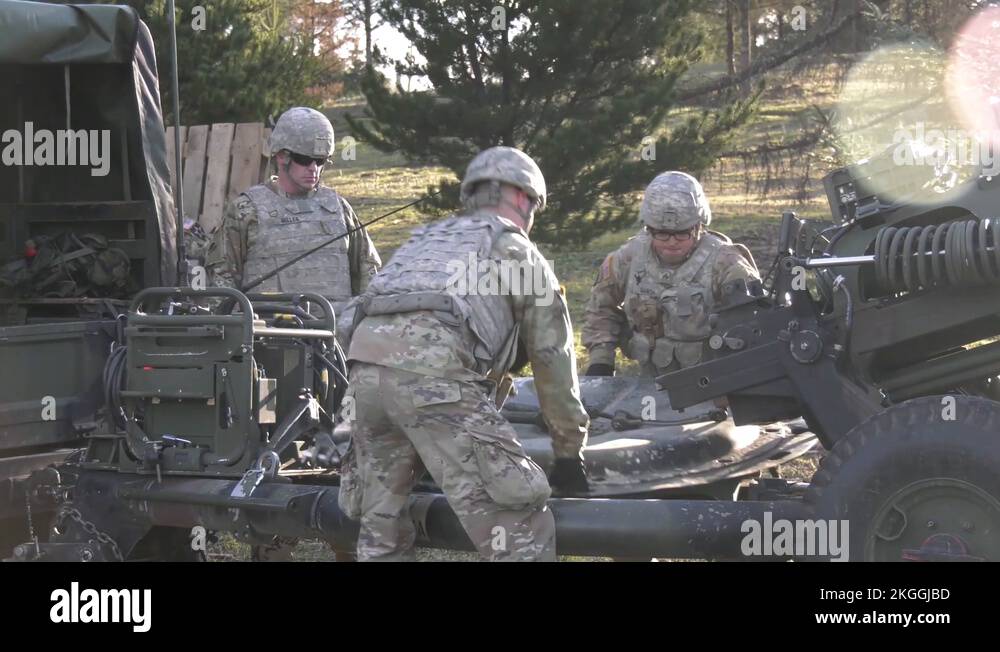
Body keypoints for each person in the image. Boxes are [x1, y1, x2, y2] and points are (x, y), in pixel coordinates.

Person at [340, 146, 590, 561]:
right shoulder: (516, 250)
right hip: (433, 382)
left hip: (364, 379)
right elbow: (552, 356)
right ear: (525, 198)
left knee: (380, 524)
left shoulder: (422, 243)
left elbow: (355, 315)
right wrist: (568, 451)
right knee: (518, 525)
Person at [205, 107, 380, 334]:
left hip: (335, 339)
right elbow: (222, 280)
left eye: (320, 161)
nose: (313, 169)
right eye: (305, 159)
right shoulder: (246, 210)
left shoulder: (339, 208)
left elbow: (368, 271)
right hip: (270, 342)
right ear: (281, 156)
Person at [581, 171, 759, 377]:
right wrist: (601, 362)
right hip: (649, 382)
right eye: (662, 233)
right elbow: (601, 309)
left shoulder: (727, 263)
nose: (672, 242)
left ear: (699, 226)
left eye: (683, 233)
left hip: (712, 384)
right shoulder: (628, 258)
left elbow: (755, 326)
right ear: (648, 229)